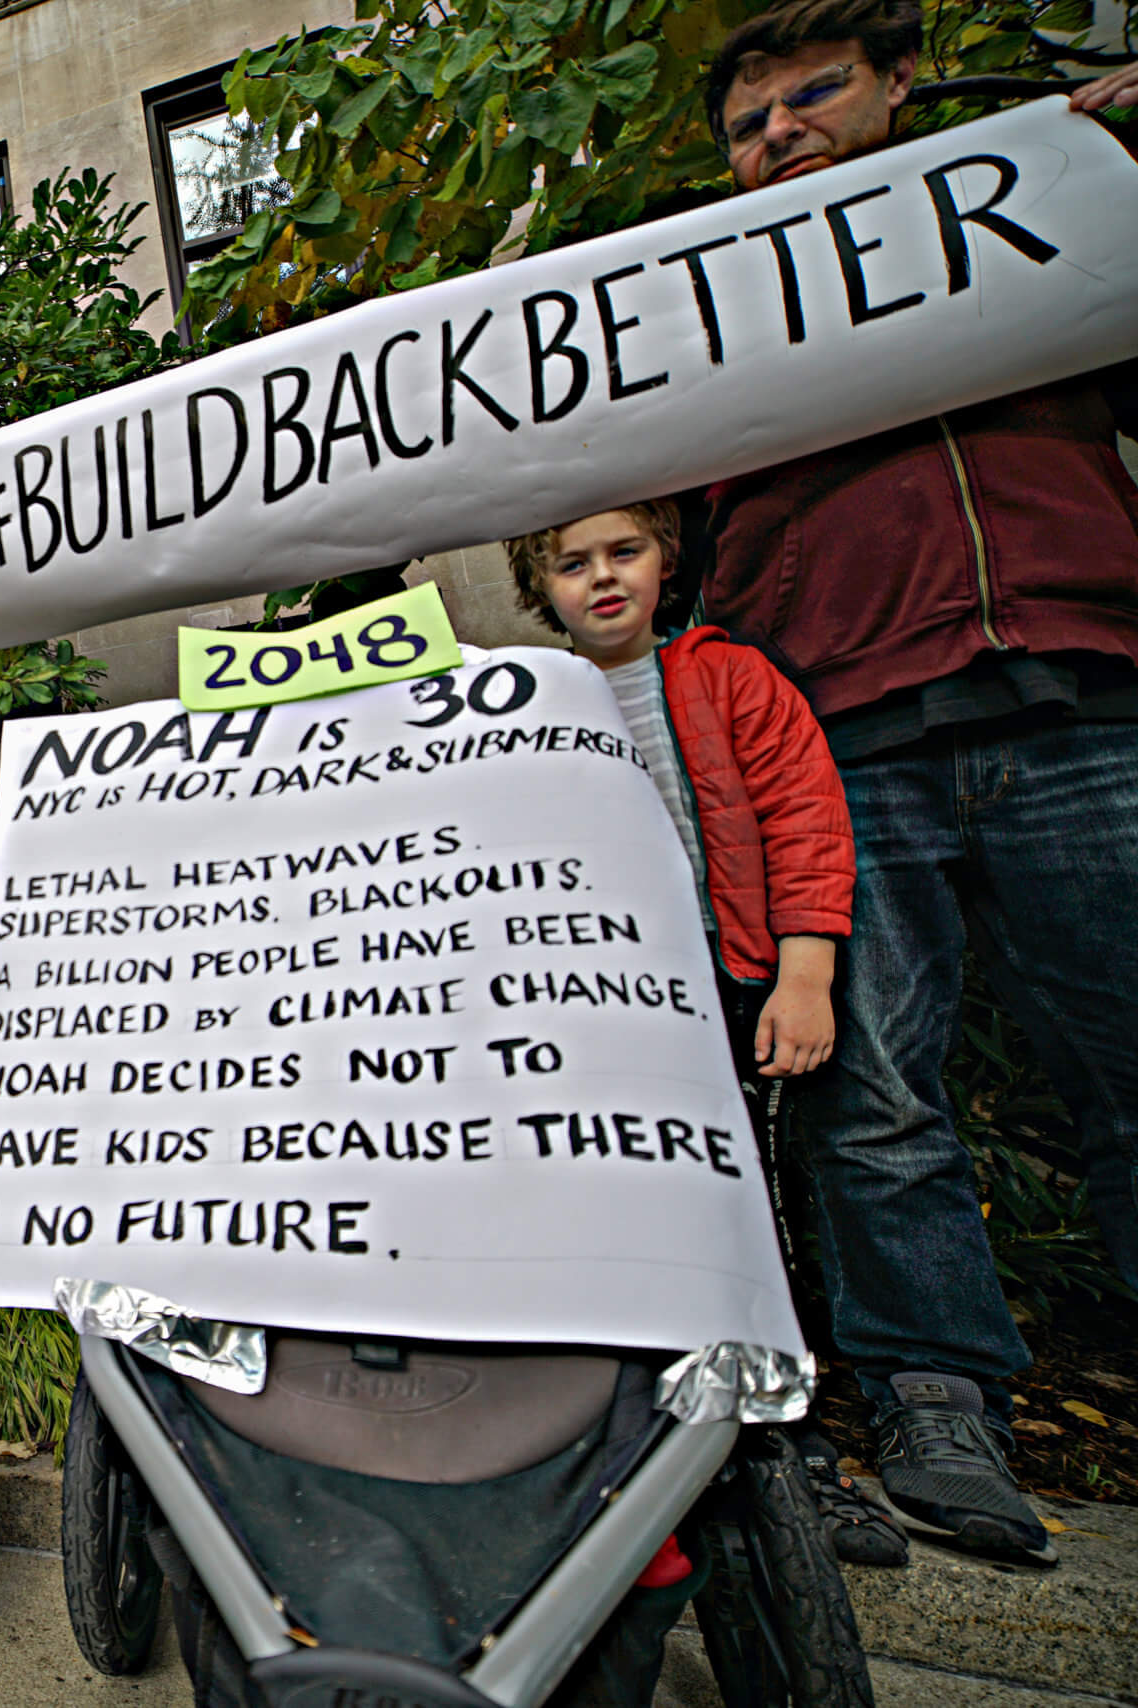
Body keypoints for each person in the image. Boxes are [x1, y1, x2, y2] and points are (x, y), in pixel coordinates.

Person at [697, 0, 1138, 1565]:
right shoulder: (699, 314)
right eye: (750, 127)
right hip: (834, 741)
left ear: (901, 89)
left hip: (1081, 696)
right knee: (874, 1093)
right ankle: (936, 1402)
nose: (782, 137)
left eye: (815, 97)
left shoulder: (1037, 220)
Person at [508, 505, 903, 1566]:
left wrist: (804, 969)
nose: (599, 579)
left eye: (621, 553)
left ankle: (793, 1452)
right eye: (569, 563)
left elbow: (803, 815)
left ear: (665, 563)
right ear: (537, 585)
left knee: (759, 1225)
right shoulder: (528, 700)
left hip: (724, 992)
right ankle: (635, 1437)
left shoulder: (728, 676)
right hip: (601, 1014)